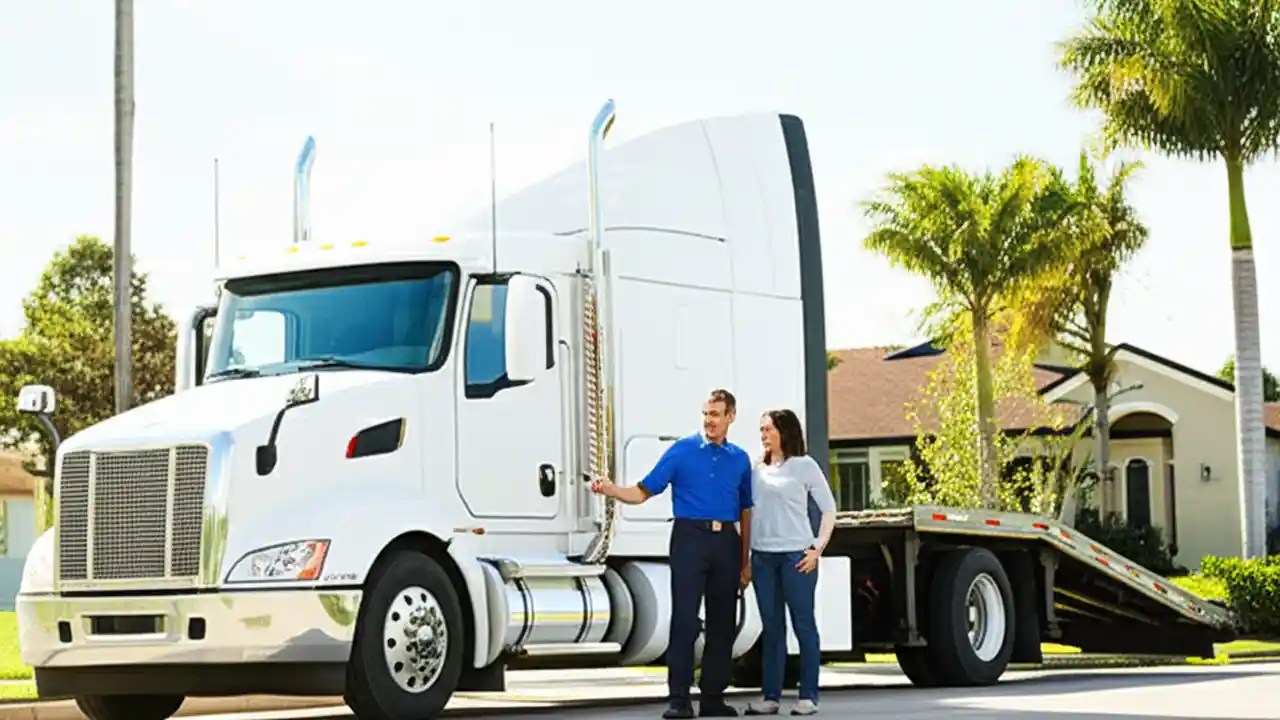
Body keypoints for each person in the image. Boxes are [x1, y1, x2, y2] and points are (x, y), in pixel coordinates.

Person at [591, 388, 753, 719]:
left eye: (717, 414)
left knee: (723, 623)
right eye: (706, 413)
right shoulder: (682, 451)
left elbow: (747, 510)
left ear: (731, 417)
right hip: (689, 539)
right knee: (684, 621)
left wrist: (745, 560)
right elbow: (642, 491)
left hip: (727, 543)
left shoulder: (740, 459)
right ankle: (679, 700)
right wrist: (610, 490)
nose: (710, 420)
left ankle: (712, 698)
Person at [744, 409, 836, 717]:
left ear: (784, 431)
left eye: (768, 429)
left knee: (803, 625)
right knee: (772, 629)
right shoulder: (756, 470)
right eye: (761, 430)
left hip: (797, 557)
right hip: (763, 557)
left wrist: (816, 549)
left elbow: (828, 510)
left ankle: (808, 697)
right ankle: (770, 697)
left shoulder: (804, 467)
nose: (763, 435)